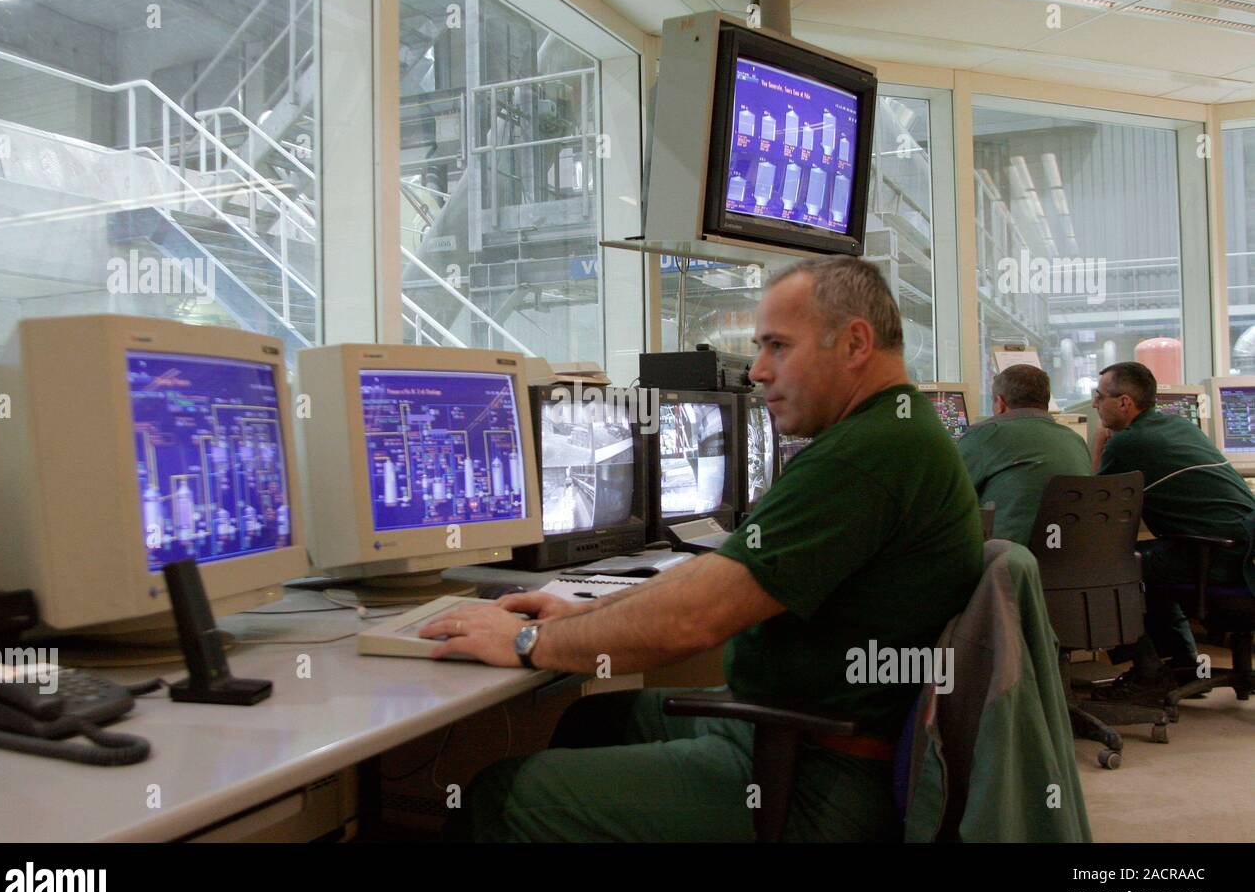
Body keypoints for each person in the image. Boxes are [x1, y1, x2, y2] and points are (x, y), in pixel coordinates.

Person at [419, 255, 983, 842]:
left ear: (855, 343)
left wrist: (529, 641)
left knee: (500, 798)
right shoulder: (890, 433)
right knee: (594, 716)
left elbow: (695, 619)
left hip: (815, 775)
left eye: (778, 347)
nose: (759, 370)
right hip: (793, 732)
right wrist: (583, 614)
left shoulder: (866, 456)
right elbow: (717, 575)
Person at [1091, 361, 1255, 693]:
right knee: (1151, 560)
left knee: (1110, 568)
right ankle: (1182, 664)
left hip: (1224, 558)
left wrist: (1099, 446)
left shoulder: (1129, 443)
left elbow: (1098, 510)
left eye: (1099, 396)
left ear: (1124, 402)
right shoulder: (1181, 426)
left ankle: (1149, 672)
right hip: (1242, 551)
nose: (1095, 404)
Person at [957, 364, 1091, 544]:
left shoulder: (984, 436)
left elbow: (948, 500)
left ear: (1000, 403)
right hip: (1069, 556)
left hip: (1009, 561)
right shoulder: (1076, 440)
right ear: (1046, 401)